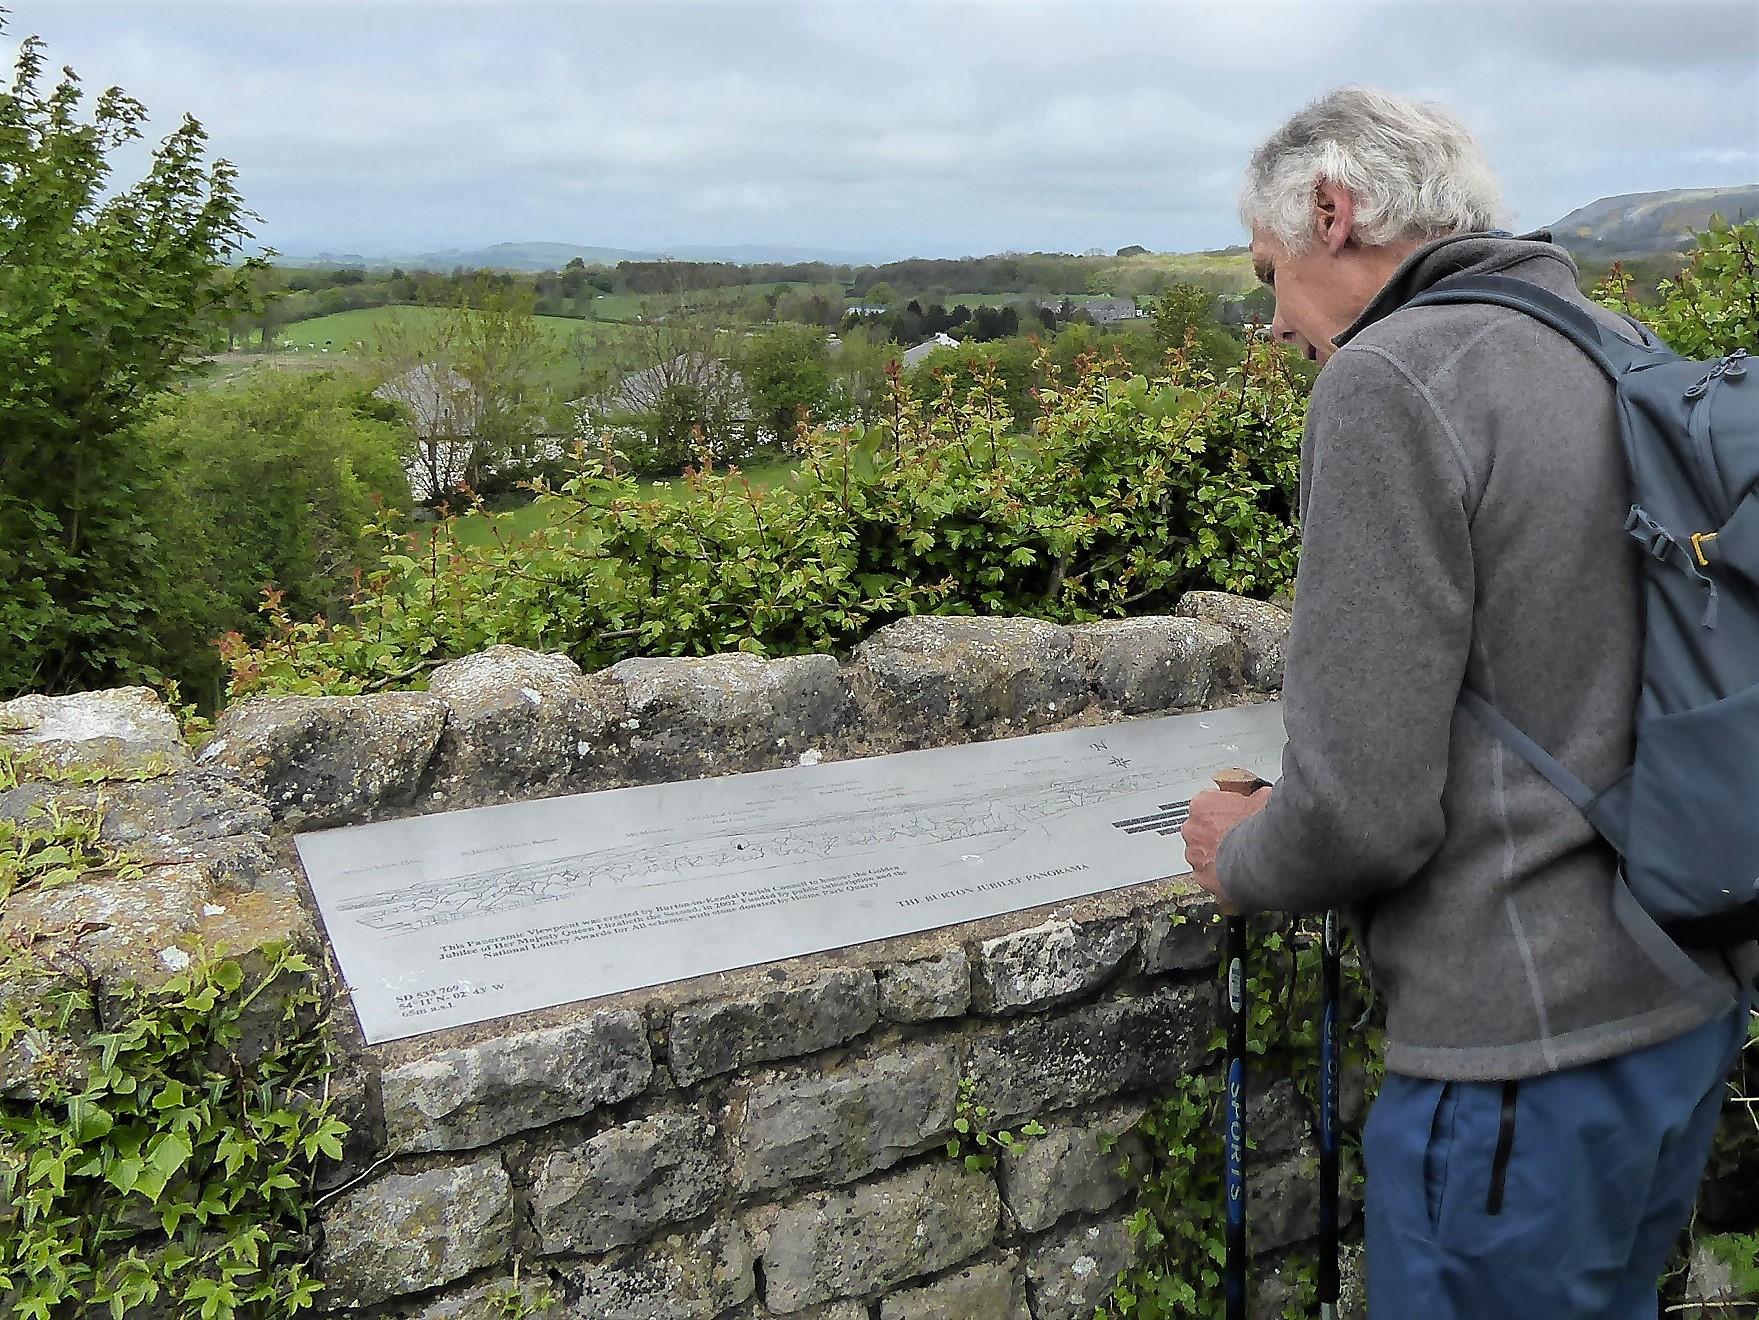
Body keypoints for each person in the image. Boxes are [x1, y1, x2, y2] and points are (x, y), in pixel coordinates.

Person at [1179, 86, 1754, 1319]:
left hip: (1518, 1057)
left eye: (1270, 273)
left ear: (1332, 211)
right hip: (1680, 993)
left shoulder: (1389, 379)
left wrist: (1241, 856)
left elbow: (1361, 812)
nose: (1273, 323)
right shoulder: (1606, 340)